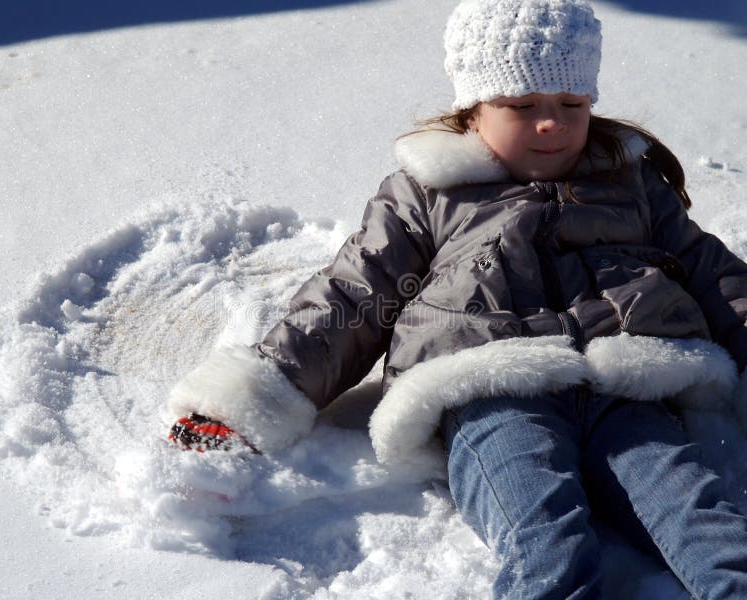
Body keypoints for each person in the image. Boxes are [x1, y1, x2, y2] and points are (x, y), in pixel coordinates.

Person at [167, 0, 747, 597]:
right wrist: (255, 395)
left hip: (628, 389)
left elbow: (712, 272)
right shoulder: (430, 192)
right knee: (547, 538)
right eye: (522, 106)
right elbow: (355, 292)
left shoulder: (630, 183)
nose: (551, 123)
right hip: (492, 396)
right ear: (474, 108)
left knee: (707, 525)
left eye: (570, 105)